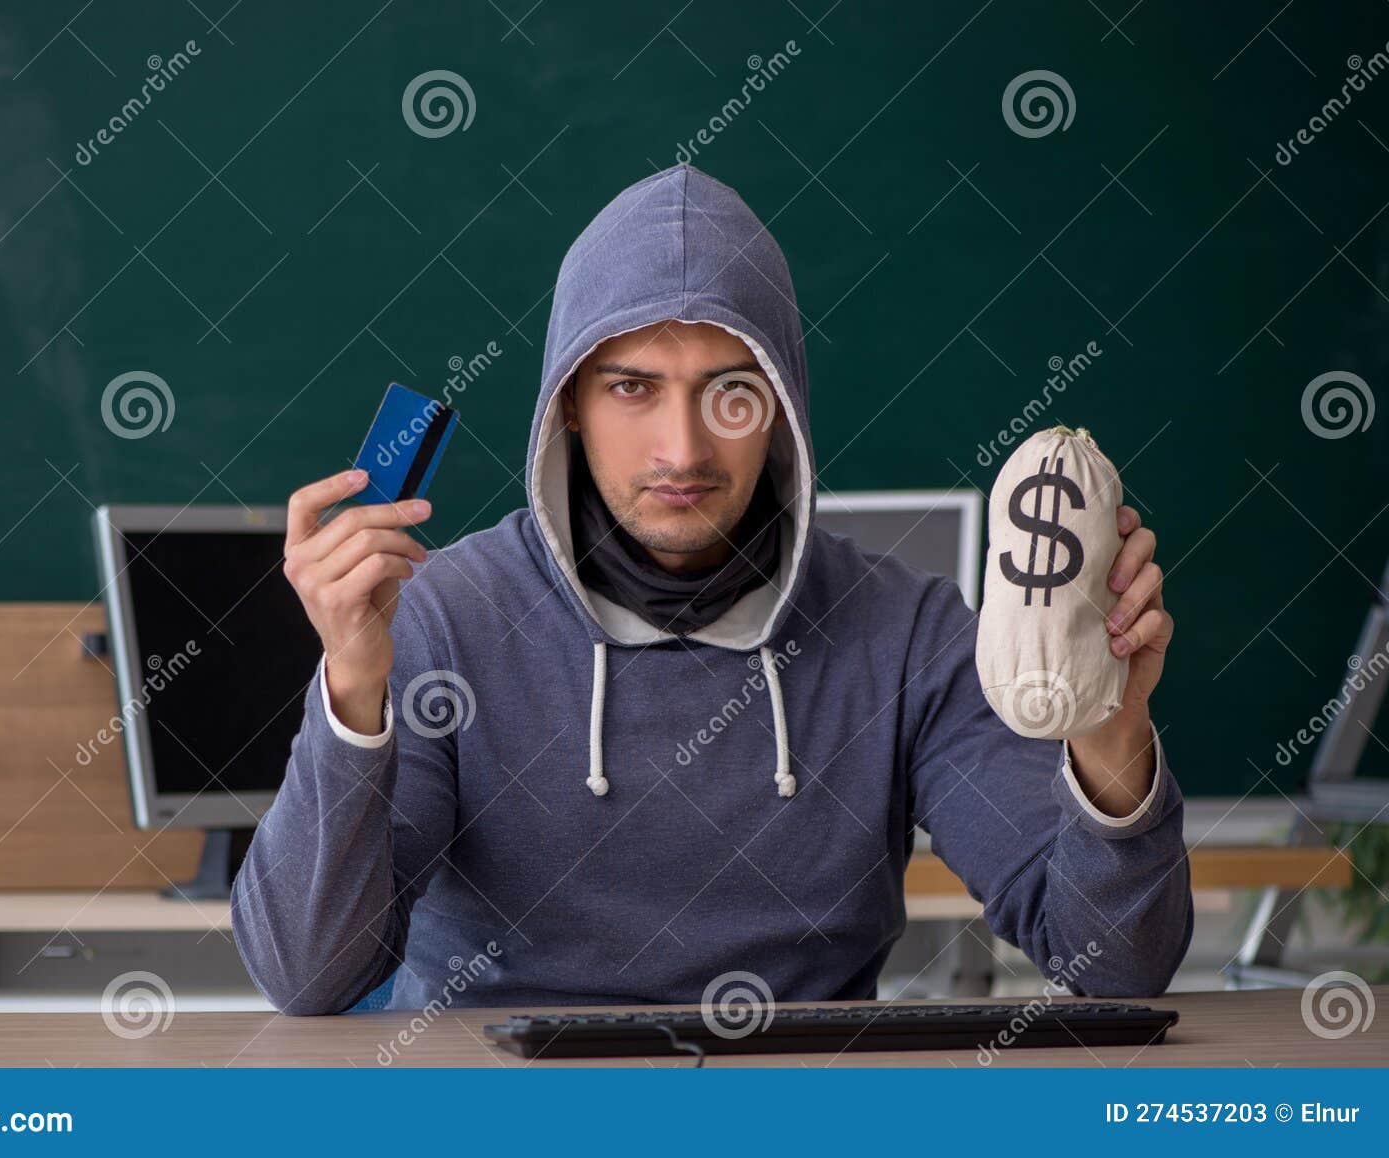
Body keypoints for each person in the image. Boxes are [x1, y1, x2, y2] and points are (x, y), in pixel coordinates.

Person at [231, 163, 1191, 1014]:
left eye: (730, 391)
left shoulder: (909, 633)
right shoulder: (445, 617)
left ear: (781, 405)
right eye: (632, 388)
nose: (682, 450)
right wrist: (353, 684)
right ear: (568, 400)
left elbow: (1113, 971)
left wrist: (1109, 735)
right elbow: (311, 976)